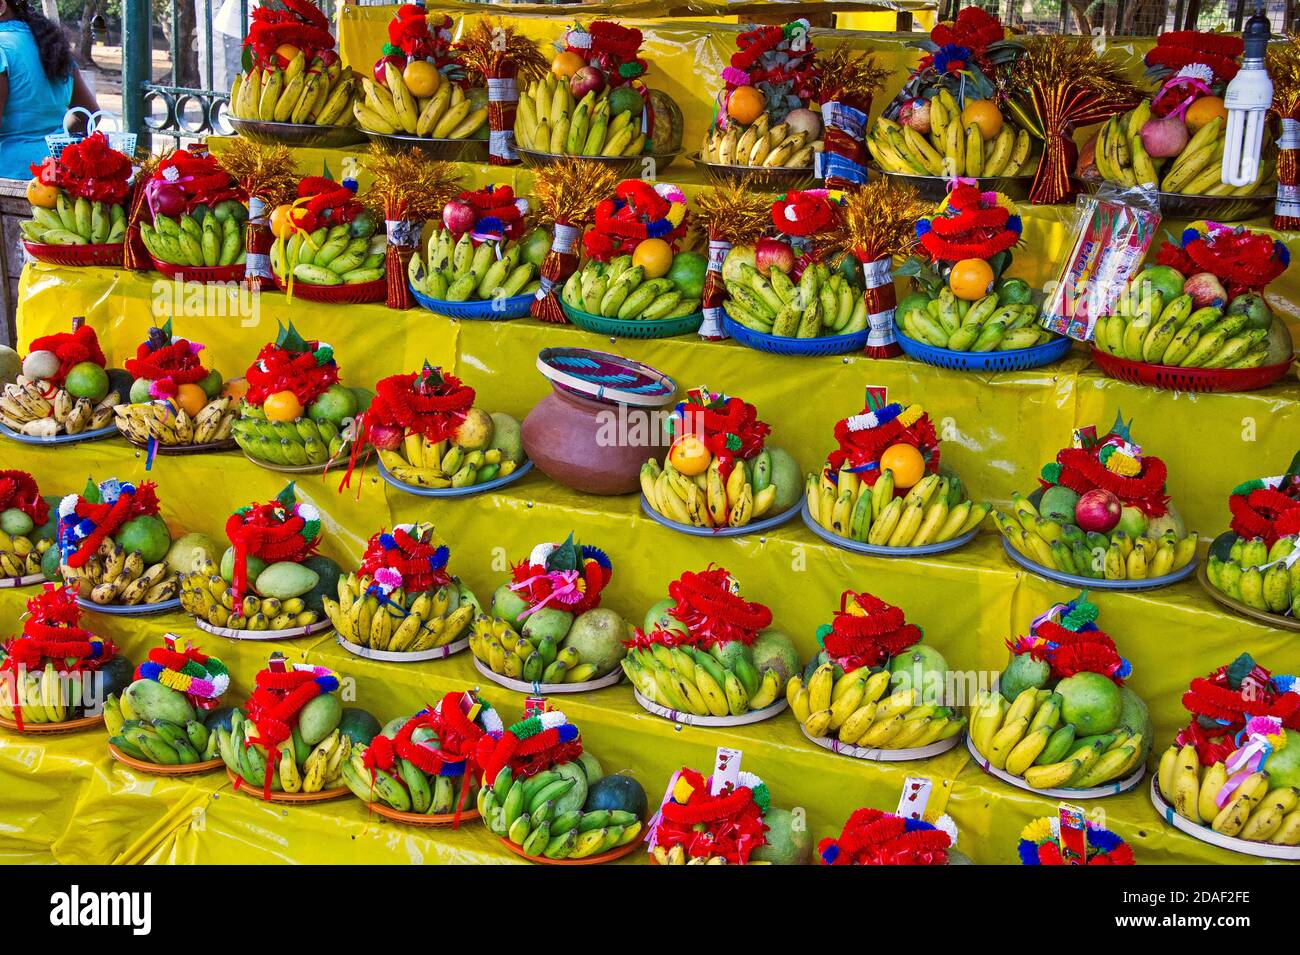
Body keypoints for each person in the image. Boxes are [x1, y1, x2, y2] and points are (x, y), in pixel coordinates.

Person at [0, 0, 98, 179]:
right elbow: (89, 114)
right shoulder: (51, 43)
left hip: (10, 178)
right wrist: (56, 137)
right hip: (57, 173)